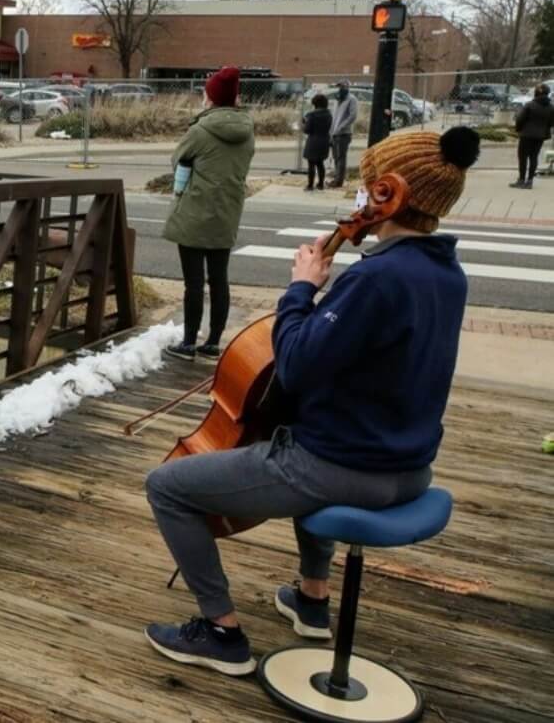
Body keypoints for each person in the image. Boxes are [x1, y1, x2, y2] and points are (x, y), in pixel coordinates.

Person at [142, 126, 480, 678]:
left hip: (346, 469)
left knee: (167, 487)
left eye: (368, 185)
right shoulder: (447, 272)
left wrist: (302, 287)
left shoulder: (378, 277)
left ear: (389, 192)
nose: (358, 196)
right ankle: (312, 600)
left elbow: (296, 366)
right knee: (301, 431)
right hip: (409, 468)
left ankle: (221, 632)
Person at [161, 66, 255, 362]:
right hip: (226, 212)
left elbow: (178, 159)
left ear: (211, 97)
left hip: (194, 213)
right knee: (219, 279)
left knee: (193, 282)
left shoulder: (200, 131)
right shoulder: (248, 131)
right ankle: (213, 342)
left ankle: (188, 343)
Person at [512, 84, 553, 189]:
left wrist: (518, 129)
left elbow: (520, 119)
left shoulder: (530, 105)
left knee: (523, 157)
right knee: (534, 156)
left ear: (536, 93)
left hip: (526, 134)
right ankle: (530, 181)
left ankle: (521, 180)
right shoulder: (551, 107)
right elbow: (552, 122)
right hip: (540, 136)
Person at [328, 80, 358, 188]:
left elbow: (353, 116)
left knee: (341, 158)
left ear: (347, 87)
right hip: (334, 133)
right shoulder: (338, 100)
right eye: (339, 86)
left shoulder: (352, 99)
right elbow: (335, 117)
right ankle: (336, 178)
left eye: (342, 87)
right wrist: (331, 131)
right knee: (336, 157)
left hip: (344, 134)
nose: (340, 89)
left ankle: (338, 181)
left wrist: (341, 127)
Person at [301, 93, 332, 192]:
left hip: (313, 140)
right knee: (320, 163)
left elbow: (307, 130)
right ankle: (321, 184)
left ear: (315, 104)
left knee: (311, 164)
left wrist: (304, 123)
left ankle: (310, 185)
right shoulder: (329, 114)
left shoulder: (312, 115)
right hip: (324, 140)